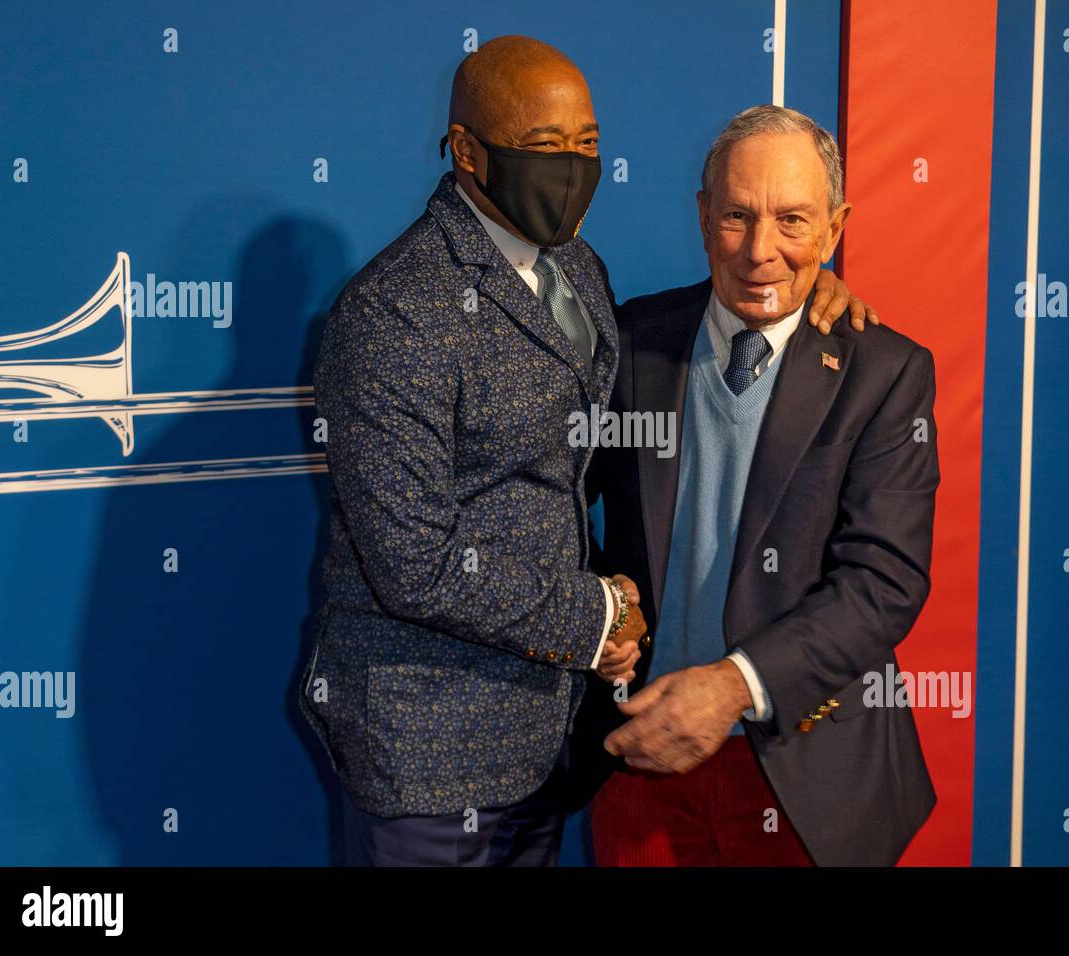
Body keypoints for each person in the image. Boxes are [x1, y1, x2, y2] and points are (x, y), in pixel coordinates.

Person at [298, 38, 872, 866]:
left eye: (588, 147)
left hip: (552, 740)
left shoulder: (575, 266)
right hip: (429, 745)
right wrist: (595, 617)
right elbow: (411, 561)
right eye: (545, 149)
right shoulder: (394, 312)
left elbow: (610, 434)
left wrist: (799, 289)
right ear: (466, 151)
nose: (572, 170)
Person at [575, 105, 939, 866]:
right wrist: (601, 602)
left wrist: (736, 686)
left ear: (835, 229)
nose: (761, 251)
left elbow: (885, 582)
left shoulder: (886, 372)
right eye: (737, 215)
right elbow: (560, 501)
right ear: (704, 217)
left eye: (793, 220)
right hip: (639, 758)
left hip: (809, 778)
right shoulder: (632, 340)